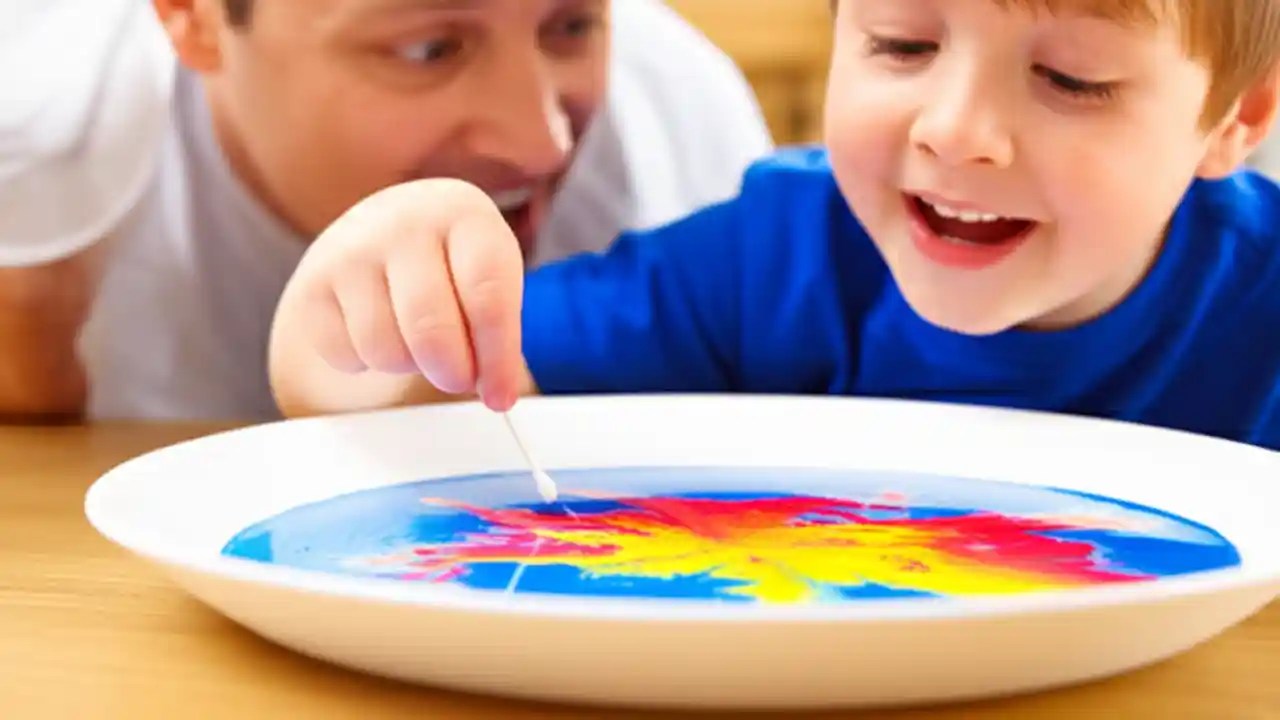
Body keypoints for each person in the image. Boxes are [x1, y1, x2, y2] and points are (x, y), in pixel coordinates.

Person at [271, 0, 1280, 452]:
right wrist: (367, 291)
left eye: (1070, 79)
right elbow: (396, 401)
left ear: (1232, 119)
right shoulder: (772, 259)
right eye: (899, 44)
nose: (956, 132)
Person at [0, 0, 772, 422]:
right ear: (192, 17)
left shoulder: (679, 121)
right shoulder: (34, 141)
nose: (540, 143)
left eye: (571, 26)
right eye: (430, 48)